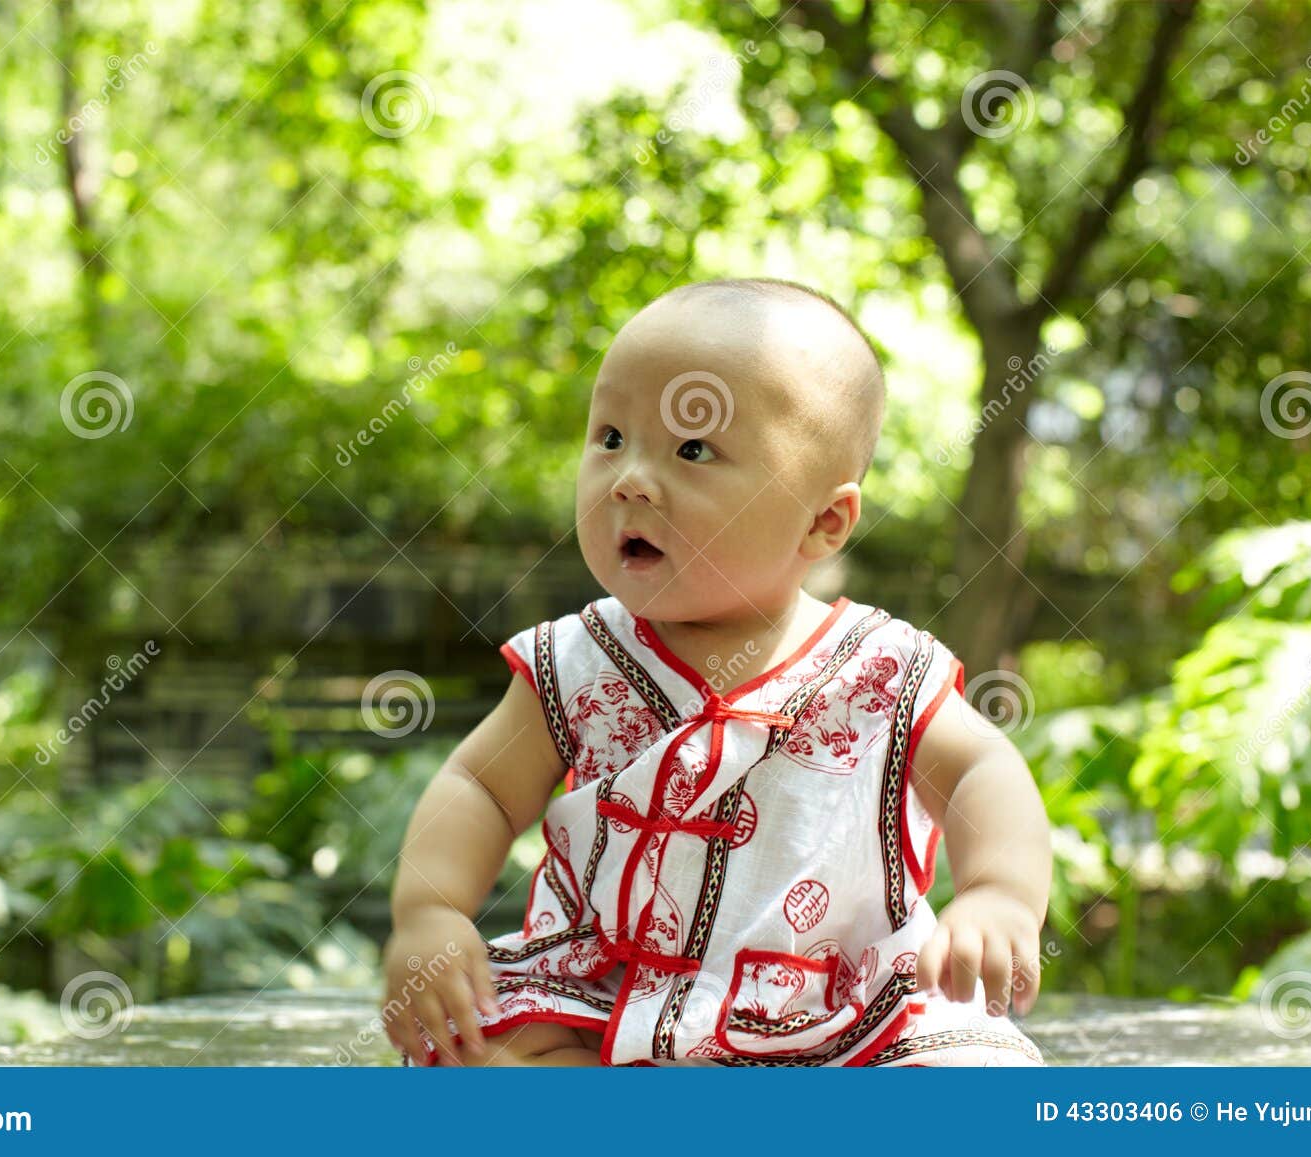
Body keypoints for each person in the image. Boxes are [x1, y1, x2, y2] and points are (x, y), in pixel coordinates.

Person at [380, 278, 1051, 1067]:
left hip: (847, 1014)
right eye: (610, 437)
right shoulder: (578, 660)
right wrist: (430, 910)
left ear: (824, 520)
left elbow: (983, 770)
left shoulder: (881, 669)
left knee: (980, 1077)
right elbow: (481, 787)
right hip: (604, 999)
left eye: (692, 450)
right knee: (476, 1055)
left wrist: (998, 893)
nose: (629, 477)